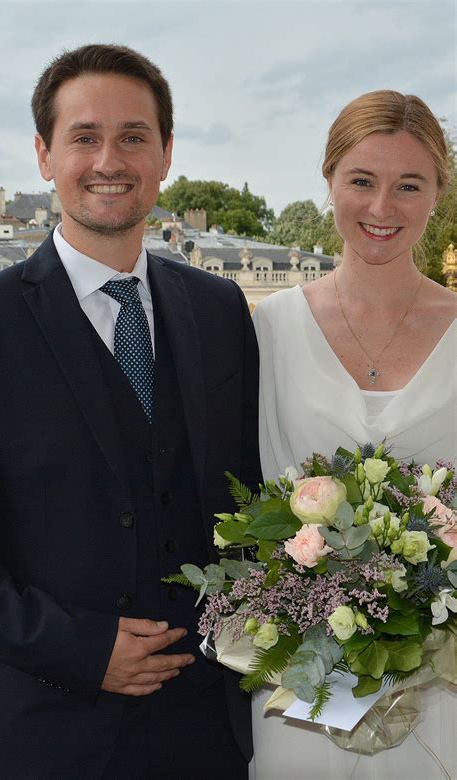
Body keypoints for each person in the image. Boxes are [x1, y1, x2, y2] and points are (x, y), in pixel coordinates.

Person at [0, 44, 261, 779]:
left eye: (134, 136)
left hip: (206, 731)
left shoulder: (220, 308)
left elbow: (248, 496)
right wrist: (79, 648)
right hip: (45, 731)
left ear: (166, 155)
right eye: (85, 137)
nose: (111, 159)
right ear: (44, 156)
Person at [252, 90, 456, 779]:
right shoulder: (264, 329)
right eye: (362, 181)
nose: (381, 208)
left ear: (438, 193)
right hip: (298, 680)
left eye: (409, 185)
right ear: (329, 181)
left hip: (444, 686)